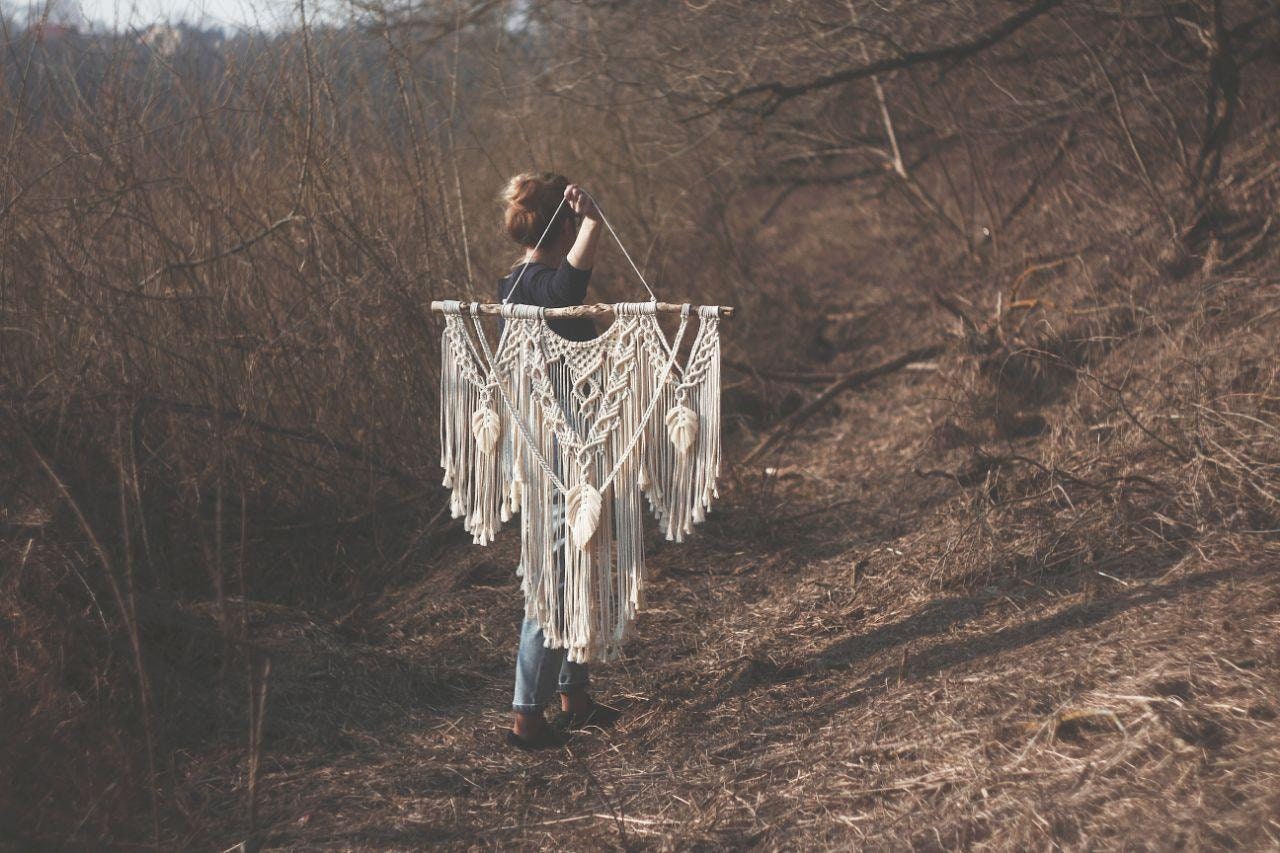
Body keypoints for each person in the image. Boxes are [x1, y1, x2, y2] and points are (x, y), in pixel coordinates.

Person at [498, 172, 623, 750]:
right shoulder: (534, 288)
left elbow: (564, 287)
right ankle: (527, 717)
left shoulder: (515, 283)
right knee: (555, 573)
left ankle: (574, 694)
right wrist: (593, 221)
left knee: (577, 561)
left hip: (564, 442)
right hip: (556, 450)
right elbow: (567, 287)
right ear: (564, 225)